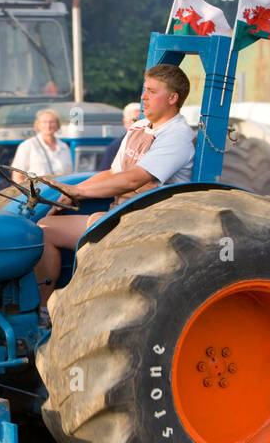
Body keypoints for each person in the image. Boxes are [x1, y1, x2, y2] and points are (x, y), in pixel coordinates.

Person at [33, 65, 195, 305]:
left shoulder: (176, 136)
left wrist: (80, 190)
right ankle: (40, 312)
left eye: (151, 91)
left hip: (148, 220)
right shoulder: (139, 127)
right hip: (120, 213)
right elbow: (113, 172)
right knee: (42, 228)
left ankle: (56, 309)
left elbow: (136, 178)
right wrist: (69, 193)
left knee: (60, 228)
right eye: (144, 90)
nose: (143, 96)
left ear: (173, 98)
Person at [11, 108, 72, 176]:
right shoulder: (27, 145)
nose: (48, 125)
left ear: (57, 125)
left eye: (52, 122)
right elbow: (17, 175)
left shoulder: (64, 147)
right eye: (44, 122)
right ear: (38, 125)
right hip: (36, 186)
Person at [99, 101, 142, 171]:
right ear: (125, 123)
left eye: (142, 120)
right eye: (135, 120)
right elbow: (105, 174)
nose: (140, 123)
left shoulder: (154, 144)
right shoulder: (115, 148)